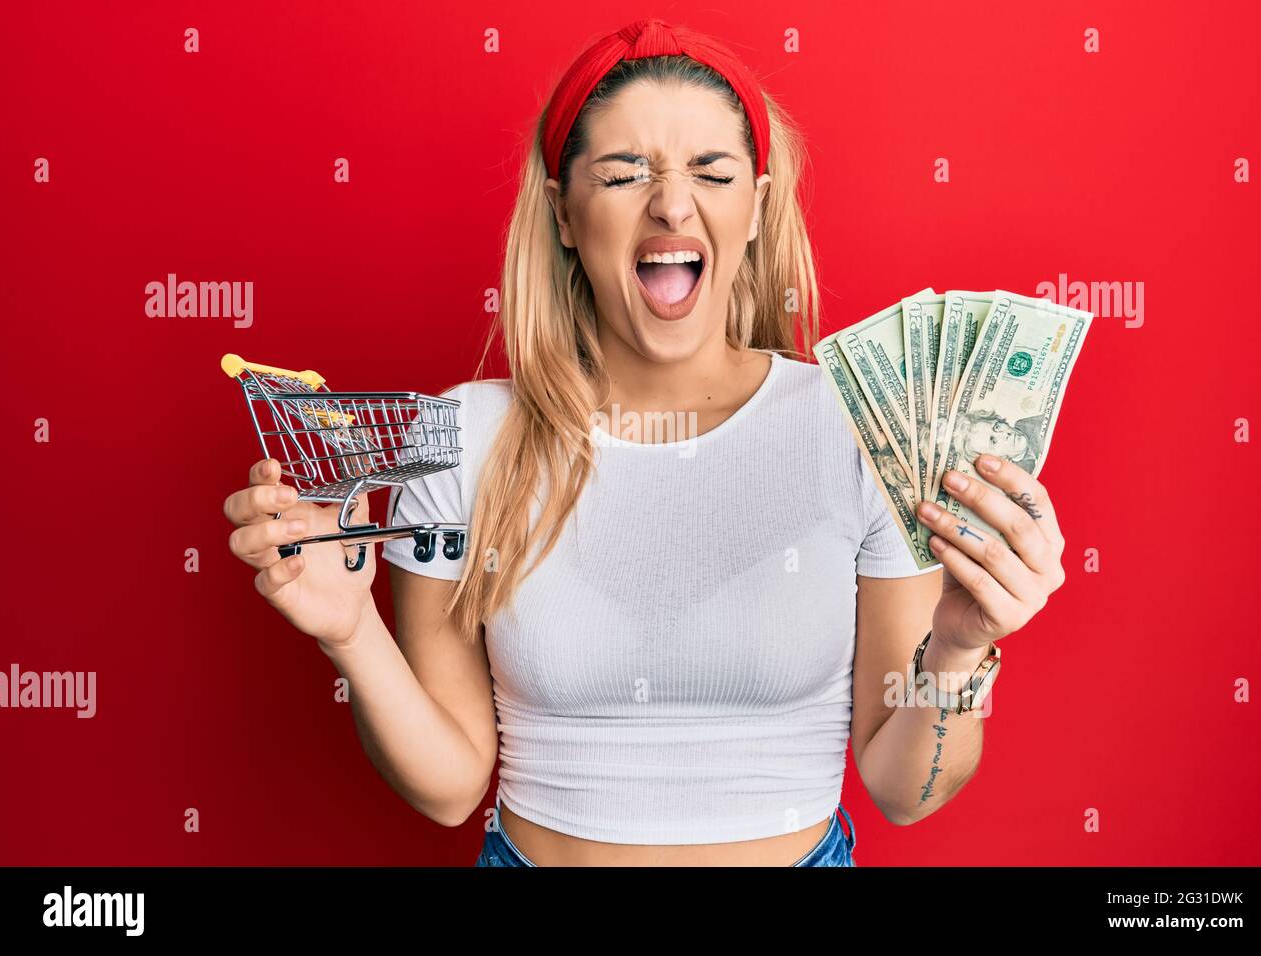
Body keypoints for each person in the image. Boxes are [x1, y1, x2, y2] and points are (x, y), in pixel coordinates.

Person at [222, 17, 1068, 866]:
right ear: (562, 213)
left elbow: (901, 788)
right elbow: (448, 790)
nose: (671, 202)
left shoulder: (858, 430)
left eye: (712, 171)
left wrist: (957, 653)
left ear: (757, 207)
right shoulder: (464, 440)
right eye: (624, 174)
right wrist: (348, 632)